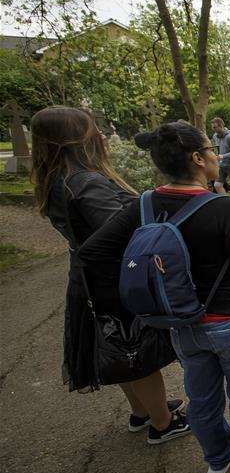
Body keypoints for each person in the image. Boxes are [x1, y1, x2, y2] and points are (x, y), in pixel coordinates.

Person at [78, 122, 230, 473]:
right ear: (198, 159)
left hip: (182, 323)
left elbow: (92, 251)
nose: (215, 155)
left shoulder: (144, 204)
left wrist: (143, 280)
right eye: (211, 151)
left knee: (202, 396)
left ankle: (218, 458)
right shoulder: (225, 208)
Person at [29, 105, 189, 444]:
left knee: (117, 345)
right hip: (115, 278)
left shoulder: (59, 179)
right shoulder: (87, 183)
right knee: (136, 352)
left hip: (87, 277)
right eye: (93, 131)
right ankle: (163, 423)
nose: (101, 137)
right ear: (76, 141)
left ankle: (143, 410)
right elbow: (120, 235)